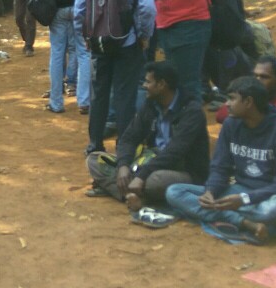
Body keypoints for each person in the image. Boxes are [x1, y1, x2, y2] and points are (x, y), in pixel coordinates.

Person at [163, 77, 276, 241]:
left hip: (270, 197)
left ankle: (224, 217)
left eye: (232, 98)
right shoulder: (231, 124)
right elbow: (220, 167)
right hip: (238, 192)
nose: (227, 105)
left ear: (248, 102)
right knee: (174, 192)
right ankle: (245, 223)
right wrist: (211, 191)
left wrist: (244, 199)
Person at [74, 0, 156, 155]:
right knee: (125, 95)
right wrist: (144, 35)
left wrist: (87, 36)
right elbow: (147, 9)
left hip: (99, 42)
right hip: (127, 41)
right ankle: (123, 146)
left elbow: (80, 8)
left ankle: (94, 144)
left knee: (99, 94)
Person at [86, 61, 209, 207]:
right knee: (94, 160)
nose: (144, 85)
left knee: (155, 181)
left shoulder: (191, 111)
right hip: (149, 163)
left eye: (148, 82)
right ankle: (134, 195)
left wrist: (142, 175)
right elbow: (129, 138)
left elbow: (174, 152)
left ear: (162, 84)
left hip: (181, 169)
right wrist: (123, 166)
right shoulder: (151, 104)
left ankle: (131, 193)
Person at [216, 55, 276, 161]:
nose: (258, 81)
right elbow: (220, 115)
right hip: (263, 150)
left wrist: (243, 111)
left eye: (264, 77)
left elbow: (267, 123)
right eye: (255, 76)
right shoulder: (254, 92)